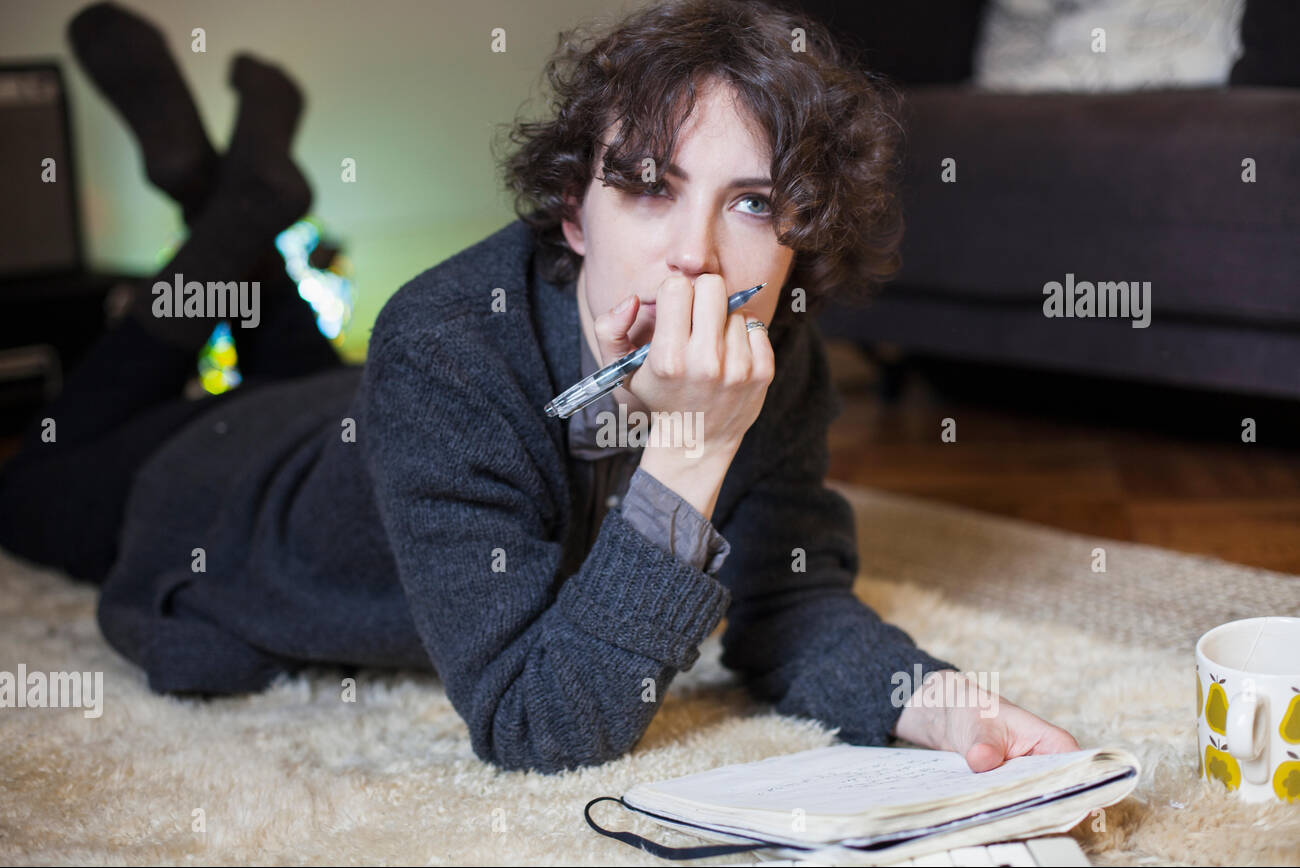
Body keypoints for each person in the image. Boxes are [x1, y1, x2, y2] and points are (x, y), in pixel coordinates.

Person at [0, 0, 1078, 775]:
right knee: (36, 470)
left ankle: (231, 190)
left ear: (800, 239)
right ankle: (233, 200)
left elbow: (783, 594)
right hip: (209, 482)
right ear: (573, 209)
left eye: (752, 204)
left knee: (314, 375)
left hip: (343, 410)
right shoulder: (442, 342)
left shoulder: (770, 345)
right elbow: (536, 726)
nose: (697, 257)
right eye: (649, 185)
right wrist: (690, 452)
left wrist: (932, 704)